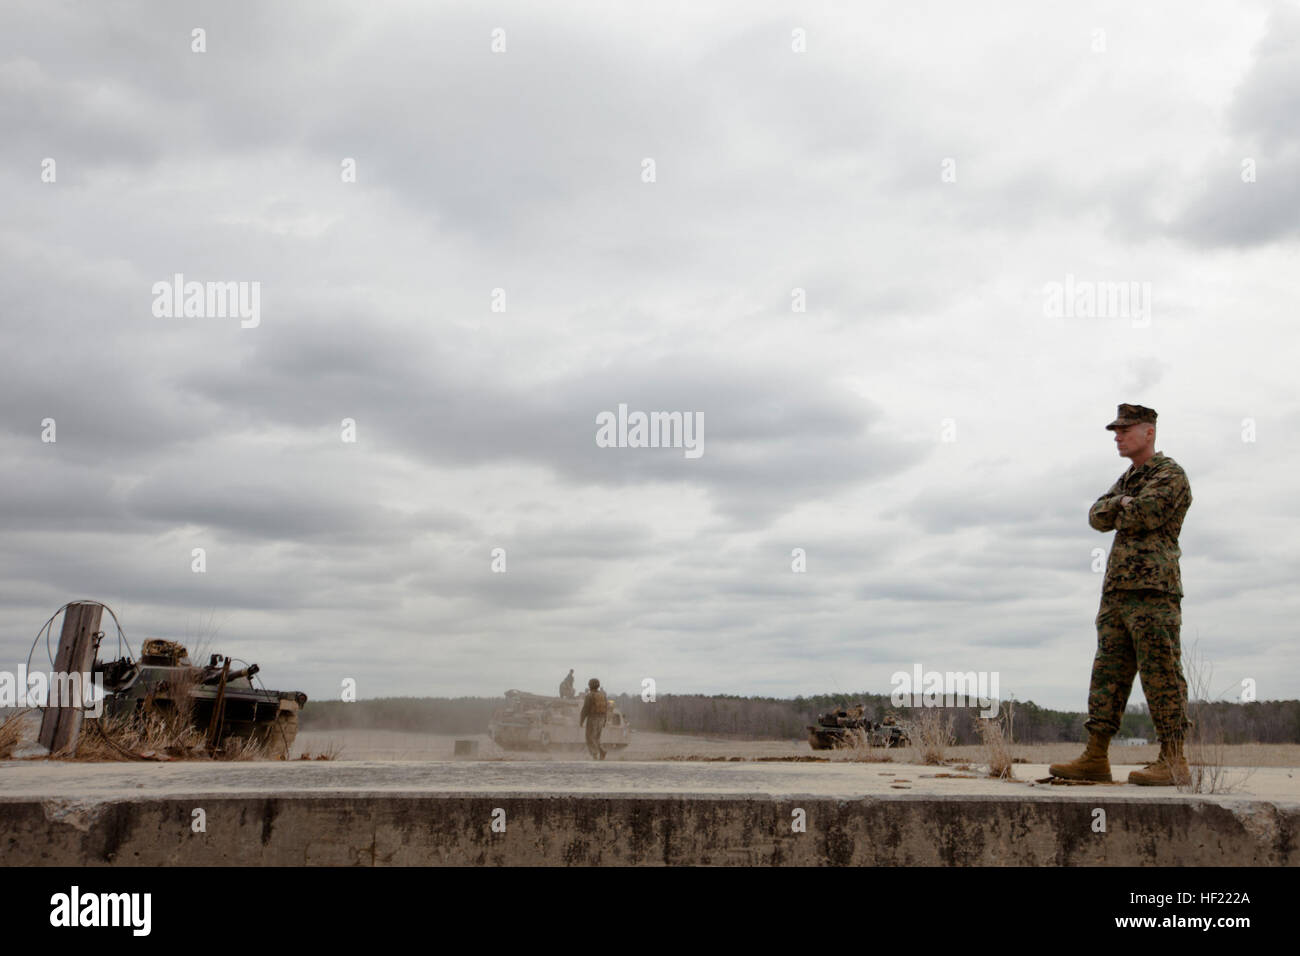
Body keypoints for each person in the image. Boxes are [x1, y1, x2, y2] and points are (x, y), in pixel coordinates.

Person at [1050, 404, 1193, 786]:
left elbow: (1146, 513)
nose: (1118, 436)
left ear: (1149, 433)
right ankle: (1096, 755)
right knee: (1107, 674)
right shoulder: (1128, 479)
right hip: (1116, 591)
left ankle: (1174, 759)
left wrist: (1124, 507)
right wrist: (1120, 503)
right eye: (1116, 430)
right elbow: (1096, 516)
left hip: (1153, 590)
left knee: (1160, 672)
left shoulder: (1170, 475)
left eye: (1125, 430)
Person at [578, 678, 607, 760]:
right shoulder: (603, 695)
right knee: (597, 737)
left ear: (590, 685)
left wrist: (581, 720)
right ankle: (602, 751)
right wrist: (604, 720)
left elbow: (585, 709)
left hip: (593, 718)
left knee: (589, 737)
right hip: (601, 718)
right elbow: (606, 709)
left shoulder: (589, 696)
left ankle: (595, 755)